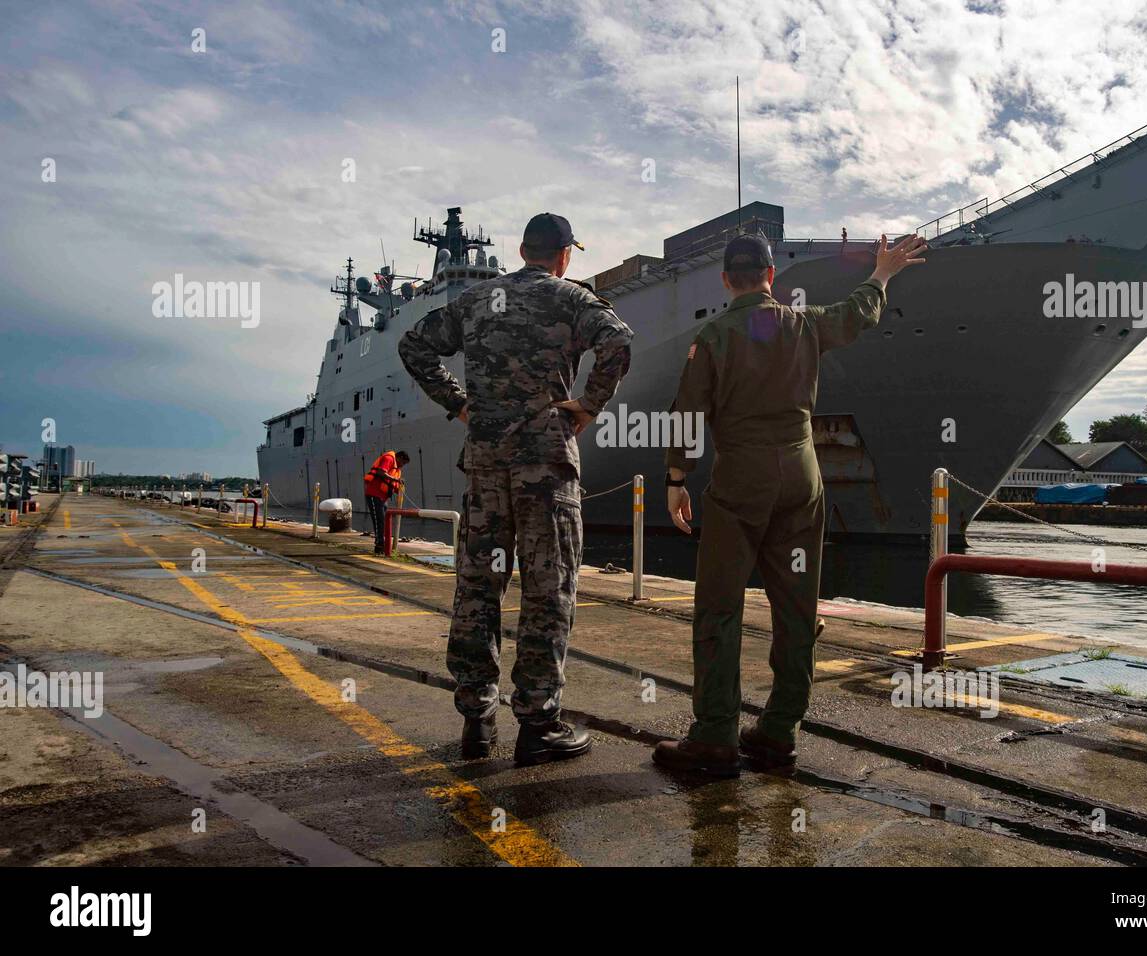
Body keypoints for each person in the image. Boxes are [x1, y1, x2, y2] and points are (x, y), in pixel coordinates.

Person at [653, 231, 927, 776]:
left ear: (727, 279)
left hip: (740, 483)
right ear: (772, 276)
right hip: (802, 478)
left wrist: (676, 479)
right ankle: (779, 731)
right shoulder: (805, 324)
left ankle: (714, 737)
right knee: (797, 608)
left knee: (720, 607)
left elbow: (686, 413)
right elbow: (858, 312)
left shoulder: (712, 337)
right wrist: (882, 273)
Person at [399, 212, 633, 765]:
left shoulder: (478, 300)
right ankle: (537, 723)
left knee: (478, 590)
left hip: (484, 466)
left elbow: (414, 346)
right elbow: (618, 342)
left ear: (523, 248)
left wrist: (459, 403)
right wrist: (588, 405)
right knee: (547, 591)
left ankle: (477, 723)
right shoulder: (571, 299)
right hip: (545, 467)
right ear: (564, 255)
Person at [363, 450, 409, 555]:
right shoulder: (388, 459)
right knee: (378, 520)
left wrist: (399, 488)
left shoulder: (397, 469)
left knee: (382, 521)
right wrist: (395, 479)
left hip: (383, 498)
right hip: (374, 494)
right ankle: (379, 546)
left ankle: (381, 545)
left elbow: (392, 485)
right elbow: (380, 472)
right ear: (399, 458)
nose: (403, 465)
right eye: (403, 462)